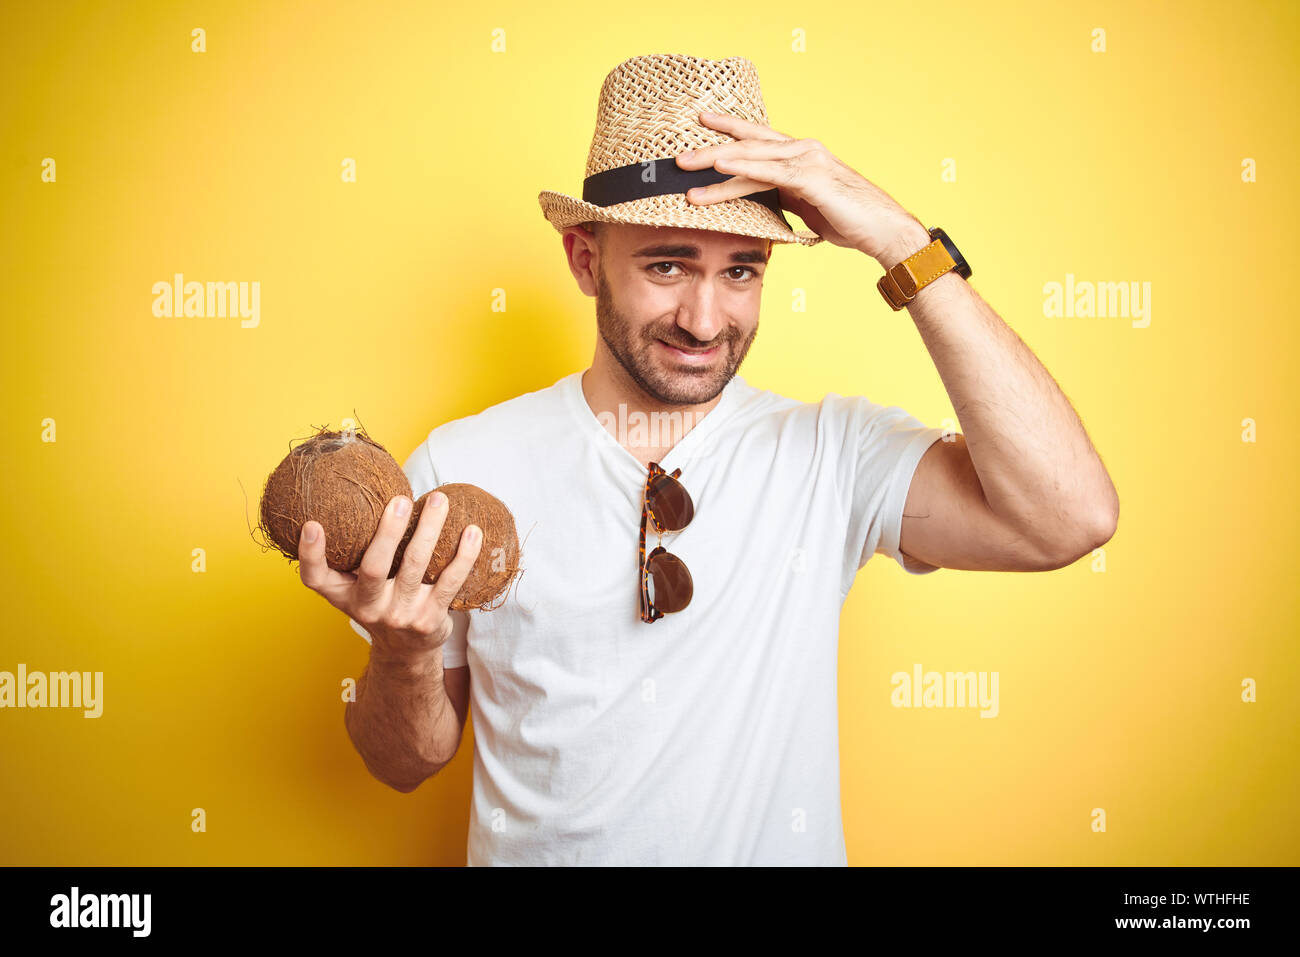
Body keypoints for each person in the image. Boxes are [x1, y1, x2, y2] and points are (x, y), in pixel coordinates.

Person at [297, 54, 1119, 865]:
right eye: (667, 265)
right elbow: (402, 763)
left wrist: (902, 239)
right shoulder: (465, 461)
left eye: (741, 271)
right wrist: (402, 654)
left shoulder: (834, 455)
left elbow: (1069, 519)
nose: (705, 317)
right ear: (586, 260)